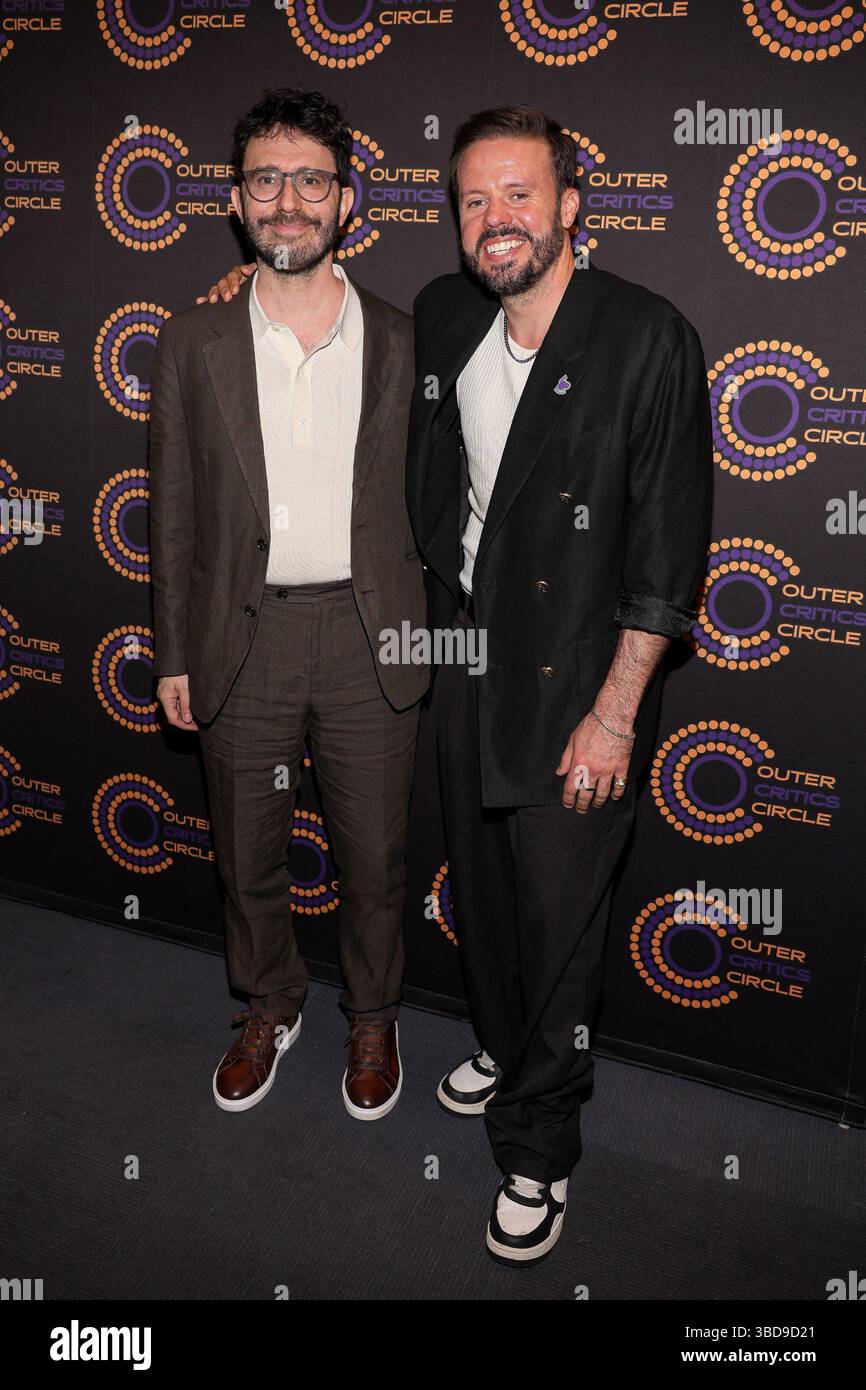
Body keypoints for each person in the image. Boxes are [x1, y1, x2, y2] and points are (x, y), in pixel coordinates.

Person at [200, 103, 713, 1266]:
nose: (494, 221)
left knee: (559, 927)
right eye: (473, 200)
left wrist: (616, 712)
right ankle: (495, 1039)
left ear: (570, 205)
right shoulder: (442, 316)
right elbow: (313, 290)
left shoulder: (646, 337)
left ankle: (537, 1145)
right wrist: (239, 293)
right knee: (480, 899)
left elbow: (666, 562)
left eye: (518, 195)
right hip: (466, 661)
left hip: (581, 689)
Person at [149, 87, 428, 1123]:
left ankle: (373, 1013)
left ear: (346, 201)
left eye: (311, 180)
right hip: (242, 636)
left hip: (367, 638)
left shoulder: (407, 342)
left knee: (375, 856)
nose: (288, 201)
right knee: (247, 848)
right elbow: (171, 513)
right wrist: (172, 648)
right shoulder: (192, 342)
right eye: (266, 179)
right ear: (236, 201)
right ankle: (270, 1000)